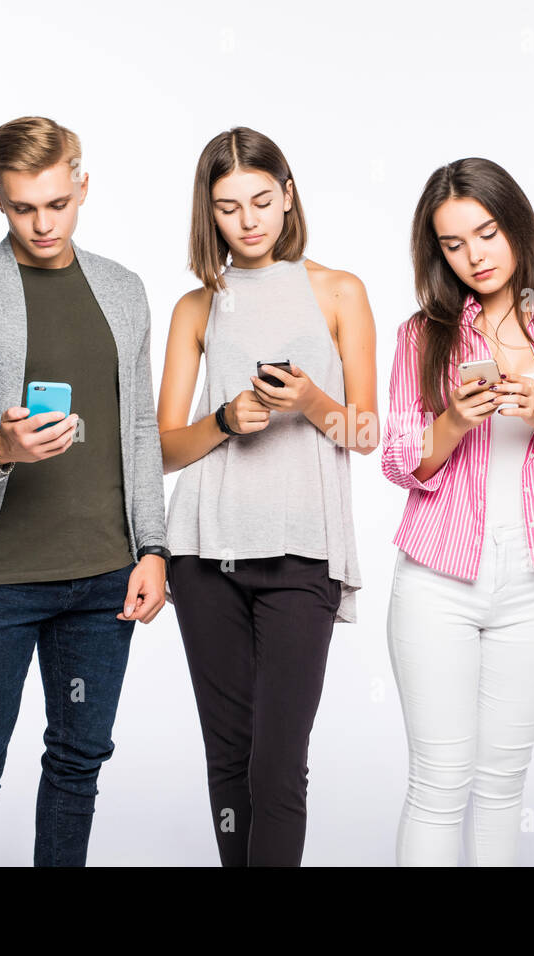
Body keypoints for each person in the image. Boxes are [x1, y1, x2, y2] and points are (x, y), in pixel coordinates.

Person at [0, 116, 170, 866]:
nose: (42, 223)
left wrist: (153, 548)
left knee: (79, 764)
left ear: (83, 185)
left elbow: (139, 429)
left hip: (104, 577)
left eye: (56, 202)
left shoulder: (122, 289)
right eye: (22, 207)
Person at [157, 126, 376, 866]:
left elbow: (367, 430)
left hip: (301, 549)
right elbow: (160, 448)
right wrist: (223, 421)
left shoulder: (340, 291)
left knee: (277, 765)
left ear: (288, 195)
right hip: (204, 548)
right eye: (227, 207)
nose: (247, 220)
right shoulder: (197, 307)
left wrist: (312, 400)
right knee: (229, 760)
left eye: (260, 199)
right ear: (208, 213)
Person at [381, 158, 534, 866]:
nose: (475, 255)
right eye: (453, 243)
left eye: (487, 232)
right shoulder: (425, 334)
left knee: (505, 784)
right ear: (437, 252)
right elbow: (395, 459)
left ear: (518, 227)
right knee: (439, 784)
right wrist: (450, 421)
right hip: (436, 580)